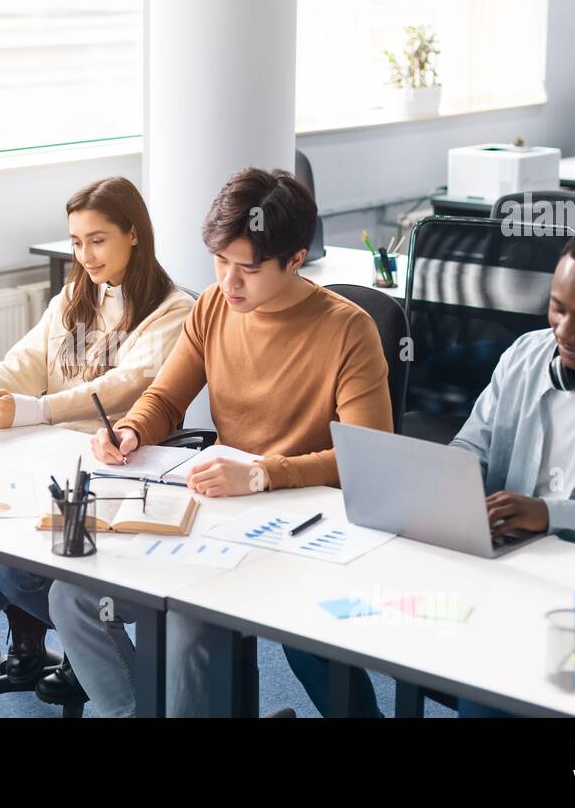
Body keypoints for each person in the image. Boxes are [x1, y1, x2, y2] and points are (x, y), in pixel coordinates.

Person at [287, 227, 575, 718]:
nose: (564, 331)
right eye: (558, 308)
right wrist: (443, 485)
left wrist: (551, 514)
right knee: (306, 623)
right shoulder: (528, 354)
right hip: (497, 566)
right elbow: (472, 446)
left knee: (487, 696)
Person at [48, 167, 394, 716]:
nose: (229, 284)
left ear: (296, 260)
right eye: (220, 262)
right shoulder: (211, 307)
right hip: (219, 513)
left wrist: (261, 473)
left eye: (248, 270)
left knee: (187, 622)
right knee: (72, 597)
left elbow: (369, 458)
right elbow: (164, 400)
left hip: (301, 522)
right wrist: (132, 429)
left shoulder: (347, 330)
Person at [0, 177, 193, 700]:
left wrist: (36, 410)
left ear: (133, 234)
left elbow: (124, 387)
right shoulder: (74, 296)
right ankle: (35, 629)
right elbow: (25, 363)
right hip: (37, 462)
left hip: (106, 472)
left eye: (98, 239)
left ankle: (91, 655)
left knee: (12, 569)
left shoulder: (172, 309)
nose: (85, 254)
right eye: (75, 241)